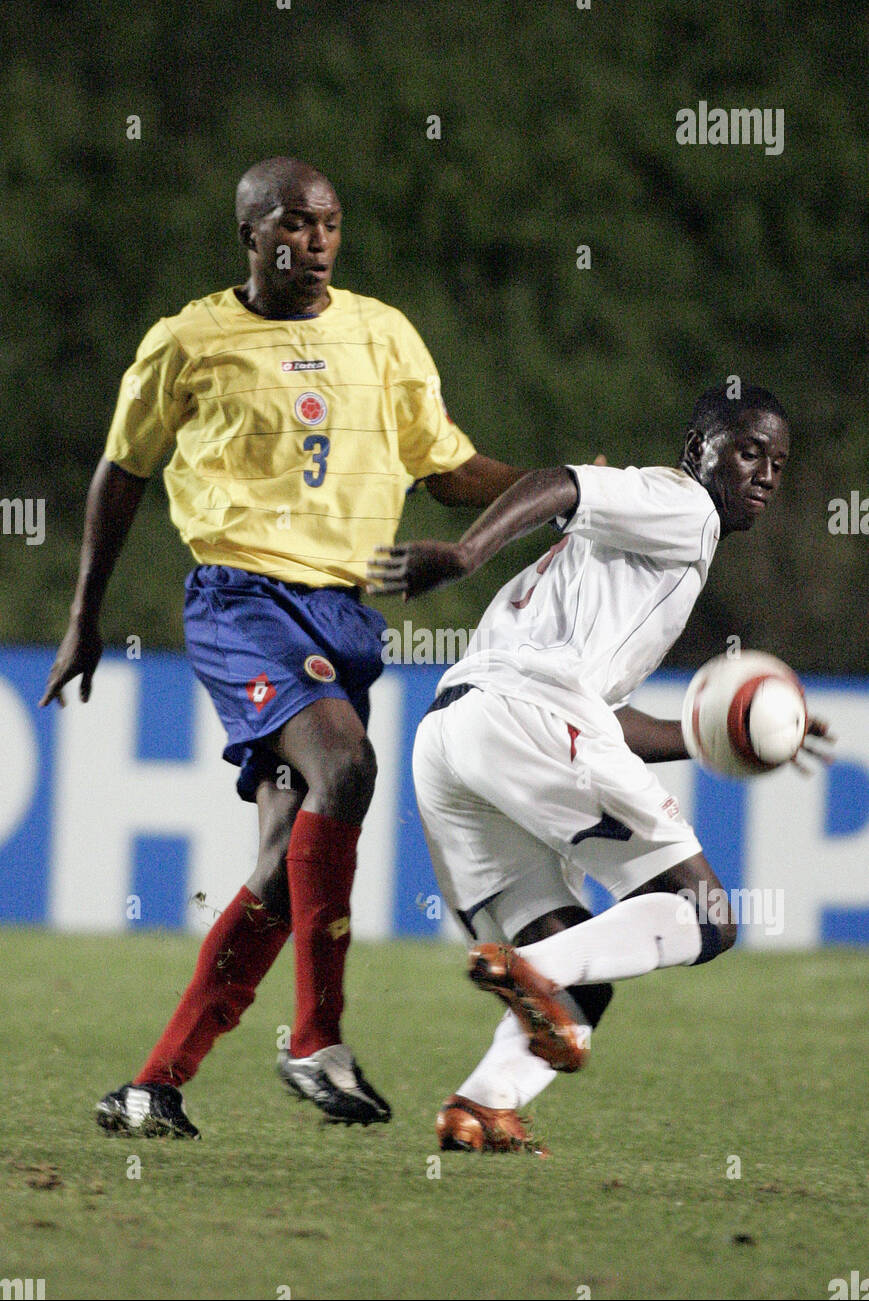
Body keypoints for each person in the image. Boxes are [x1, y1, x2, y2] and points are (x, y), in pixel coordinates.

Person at [40, 155, 541, 1137]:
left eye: (328, 224)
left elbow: (446, 469)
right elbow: (121, 471)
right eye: (292, 224)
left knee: (280, 868)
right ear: (250, 235)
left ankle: (152, 1085)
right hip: (242, 602)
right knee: (345, 765)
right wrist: (82, 613)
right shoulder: (188, 341)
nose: (313, 243)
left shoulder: (380, 332)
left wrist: (558, 489)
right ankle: (317, 1034)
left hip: (346, 615)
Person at [368, 384, 831, 1153]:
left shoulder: (623, 560)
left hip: (455, 732)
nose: (764, 474)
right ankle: (532, 970)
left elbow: (604, 722)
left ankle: (480, 1108)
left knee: (586, 972)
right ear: (698, 452)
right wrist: (463, 553)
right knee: (704, 916)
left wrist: (718, 732)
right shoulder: (682, 506)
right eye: (747, 451)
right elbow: (565, 480)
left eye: (777, 463)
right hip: (524, 716)